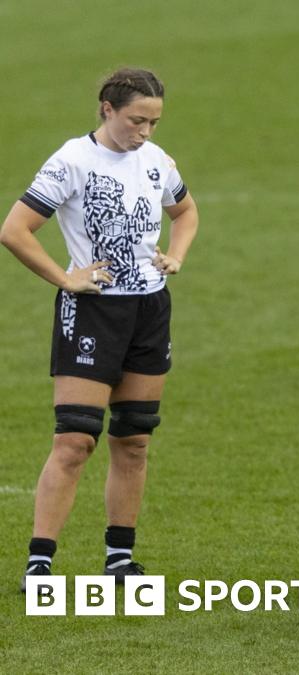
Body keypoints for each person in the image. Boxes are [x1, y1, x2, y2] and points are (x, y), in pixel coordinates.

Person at [1, 68, 199, 591]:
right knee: (75, 439)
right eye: (137, 120)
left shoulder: (156, 161)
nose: (146, 132)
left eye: (154, 122)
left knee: (134, 438)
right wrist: (65, 279)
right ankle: (40, 563)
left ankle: (119, 560)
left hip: (149, 311)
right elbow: (14, 230)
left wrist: (175, 257)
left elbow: (185, 212)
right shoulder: (72, 161)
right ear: (107, 109)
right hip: (93, 311)